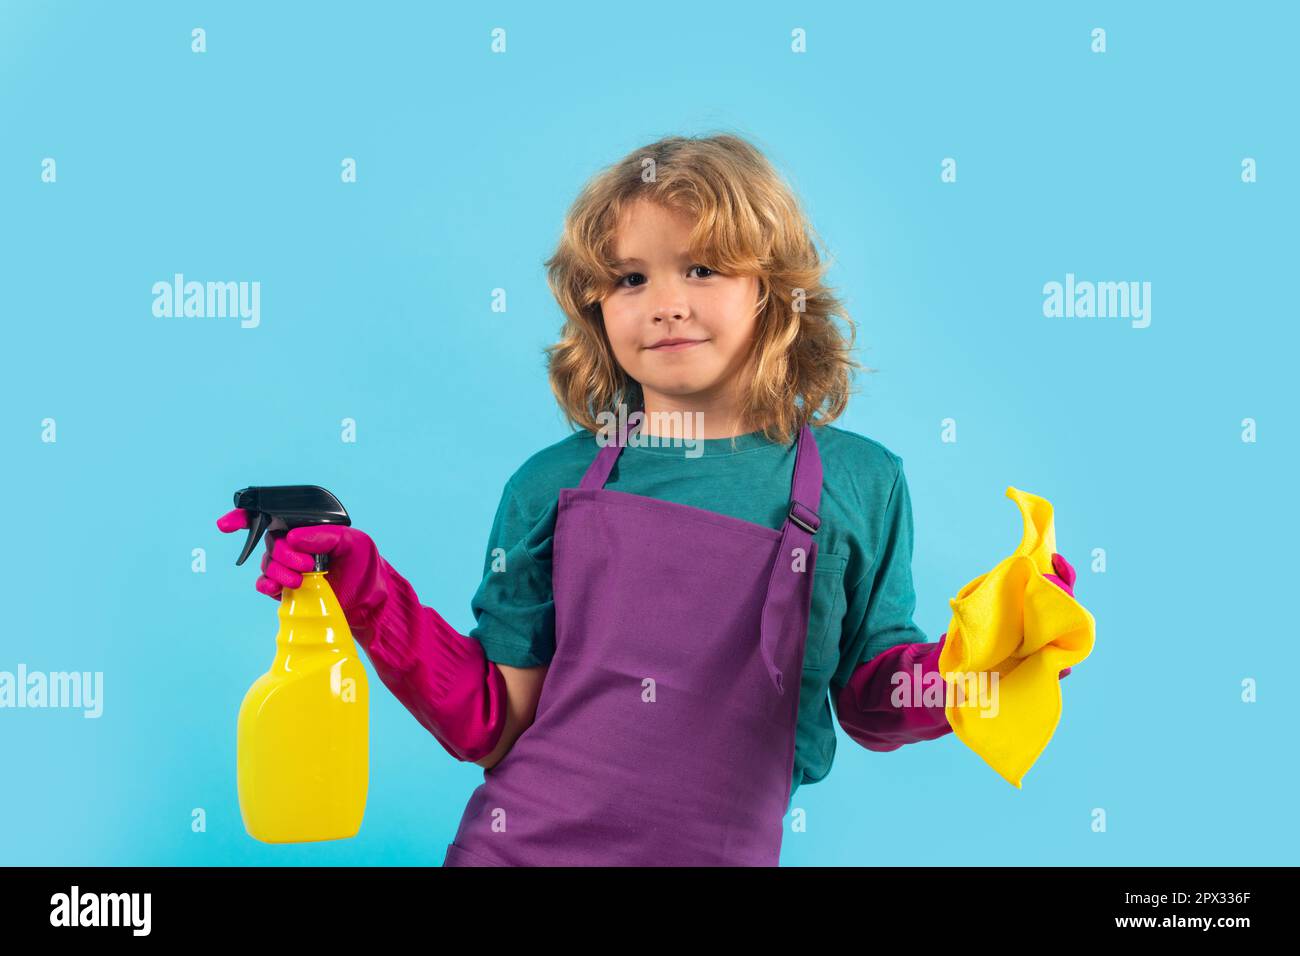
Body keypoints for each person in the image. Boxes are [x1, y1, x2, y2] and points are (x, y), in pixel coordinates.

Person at [217, 133, 1079, 866]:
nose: (665, 304)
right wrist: (366, 588)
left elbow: (869, 701)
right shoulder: (551, 484)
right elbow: (491, 719)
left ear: (772, 292)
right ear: (595, 306)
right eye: (629, 279)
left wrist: (973, 670)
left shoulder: (861, 481)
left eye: (701, 268)